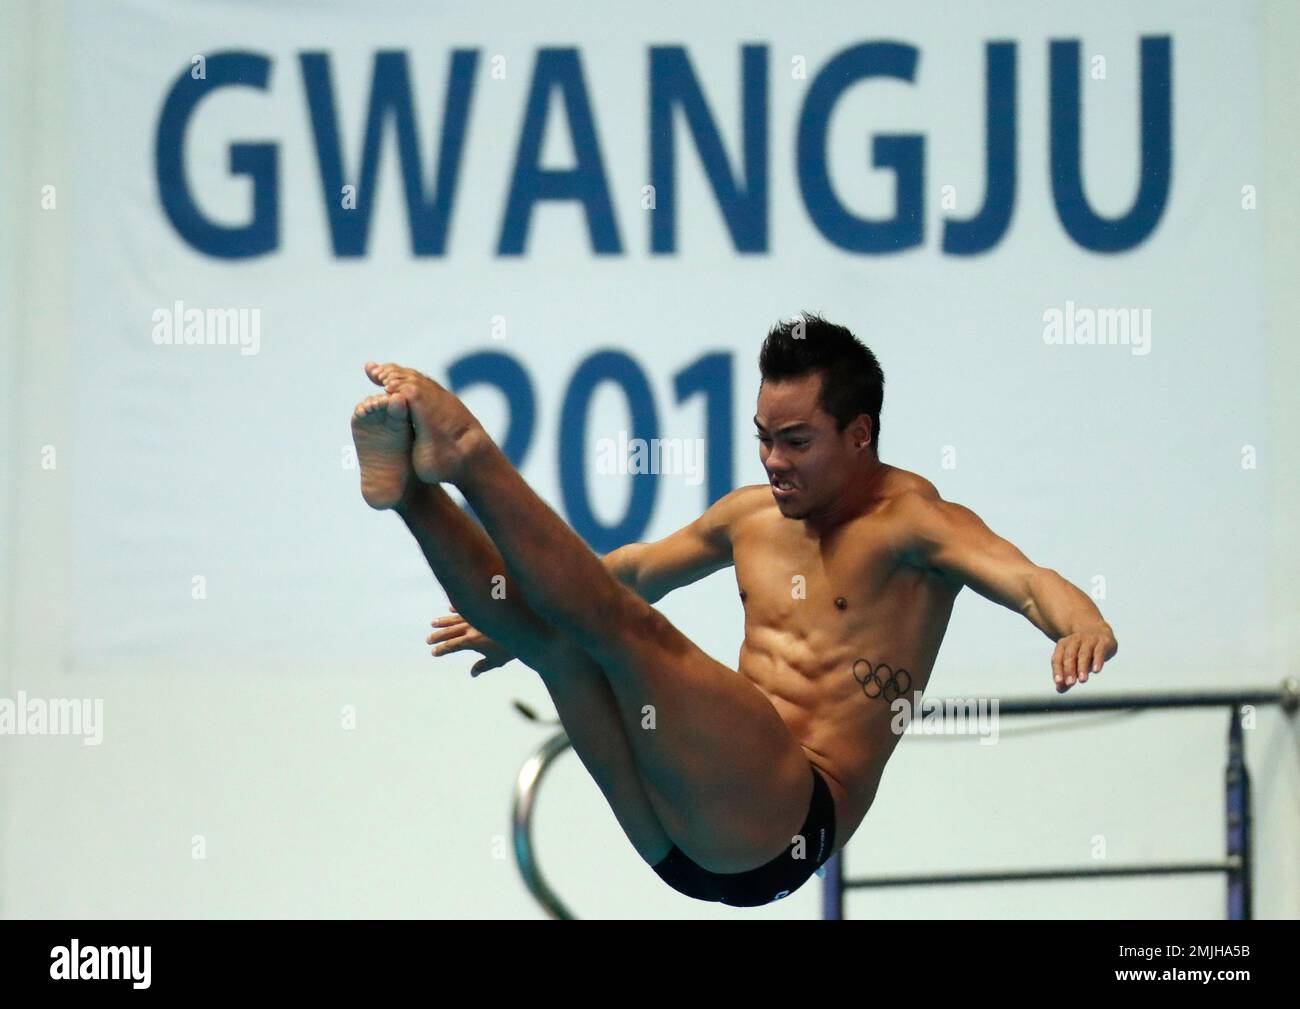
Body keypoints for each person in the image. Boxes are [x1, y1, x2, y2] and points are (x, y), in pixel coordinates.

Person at [350, 313, 1118, 907]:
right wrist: (514, 617)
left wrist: (1081, 624)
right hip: (682, 846)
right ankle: (410, 493)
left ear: (860, 434)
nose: (774, 461)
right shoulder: (751, 516)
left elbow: (1028, 580)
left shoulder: (914, 524)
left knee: (624, 631)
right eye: (764, 439)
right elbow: (634, 569)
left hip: (788, 819)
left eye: (797, 441)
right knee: (556, 645)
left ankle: (468, 450)